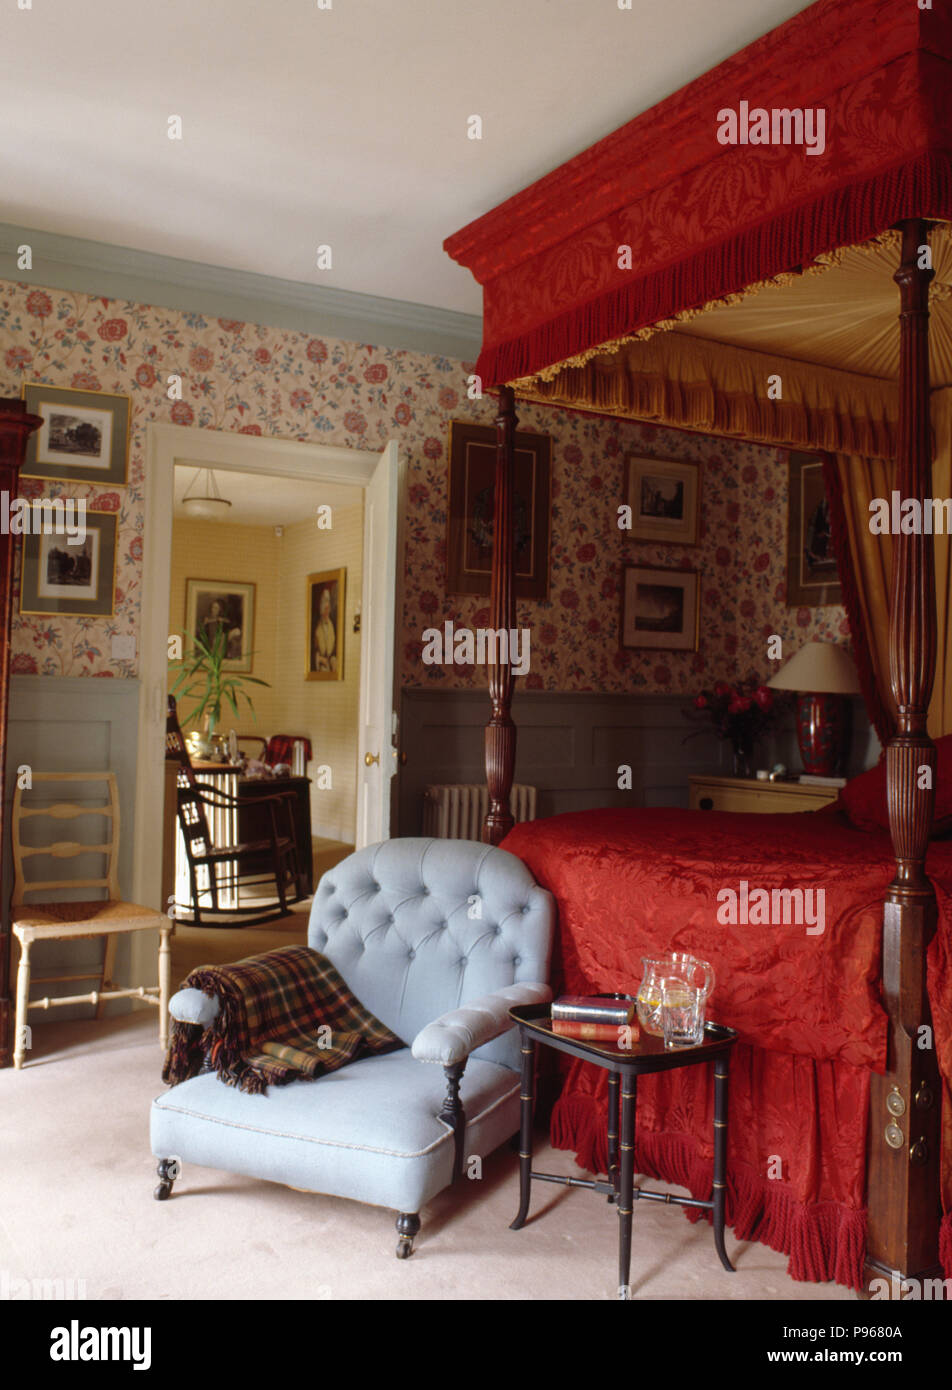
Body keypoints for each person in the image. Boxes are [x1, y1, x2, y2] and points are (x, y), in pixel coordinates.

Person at [313, 588, 337, 672]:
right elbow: (314, 650)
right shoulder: (317, 627)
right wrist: (320, 659)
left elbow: (333, 651)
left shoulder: (332, 626)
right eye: (325, 609)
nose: (327, 611)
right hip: (321, 666)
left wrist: (332, 660)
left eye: (328, 609)